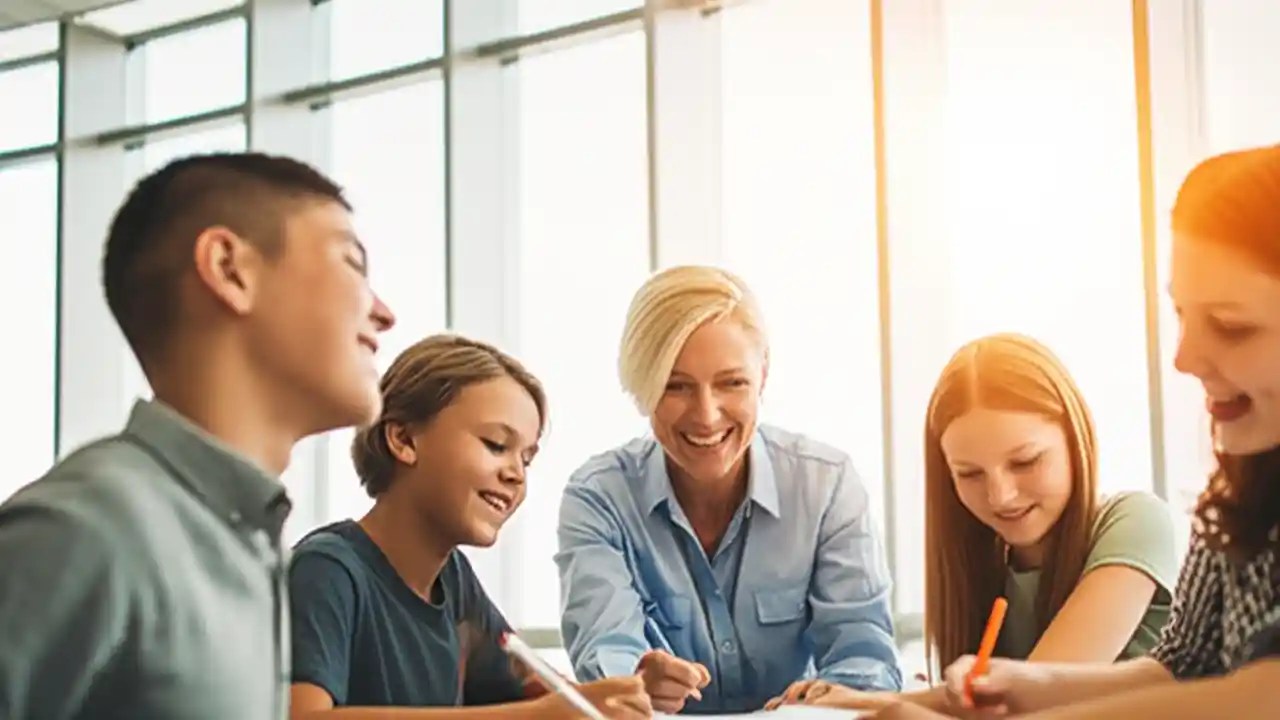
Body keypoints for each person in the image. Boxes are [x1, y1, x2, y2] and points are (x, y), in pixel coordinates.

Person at [869, 145, 1280, 719]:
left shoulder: (1132, 518)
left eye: (1231, 326)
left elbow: (1265, 694)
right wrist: (1030, 685)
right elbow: (1182, 664)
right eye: (1182, 315)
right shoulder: (1242, 485)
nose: (1183, 358)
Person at [0, 152, 395, 719]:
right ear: (230, 269)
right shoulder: (88, 528)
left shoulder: (246, 544)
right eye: (352, 263)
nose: (384, 312)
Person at [769, 334, 1179, 713]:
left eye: (1026, 462)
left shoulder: (1135, 521)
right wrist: (862, 701)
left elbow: (1032, 696)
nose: (1001, 496)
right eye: (969, 474)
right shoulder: (981, 561)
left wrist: (877, 704)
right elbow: (980, 701)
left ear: (1075, 440)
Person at [556, 264, 901, 714]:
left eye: (732, 383)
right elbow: (608, 661)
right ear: (642, 386)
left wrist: (822, 701)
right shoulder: (599, 499)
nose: (706, 415)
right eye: (676, 386)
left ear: (763, 374)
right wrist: (636, 684)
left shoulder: (826, 486)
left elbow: (866, 661)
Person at [288, 333, 651, 720]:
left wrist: (628, 690)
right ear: (404, 439)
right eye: (496, 444)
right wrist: (539, 715)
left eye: (526, 459)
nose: (516, 474)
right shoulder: (326, 571)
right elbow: (302, 717)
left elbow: (538, 687)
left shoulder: (454, 580)